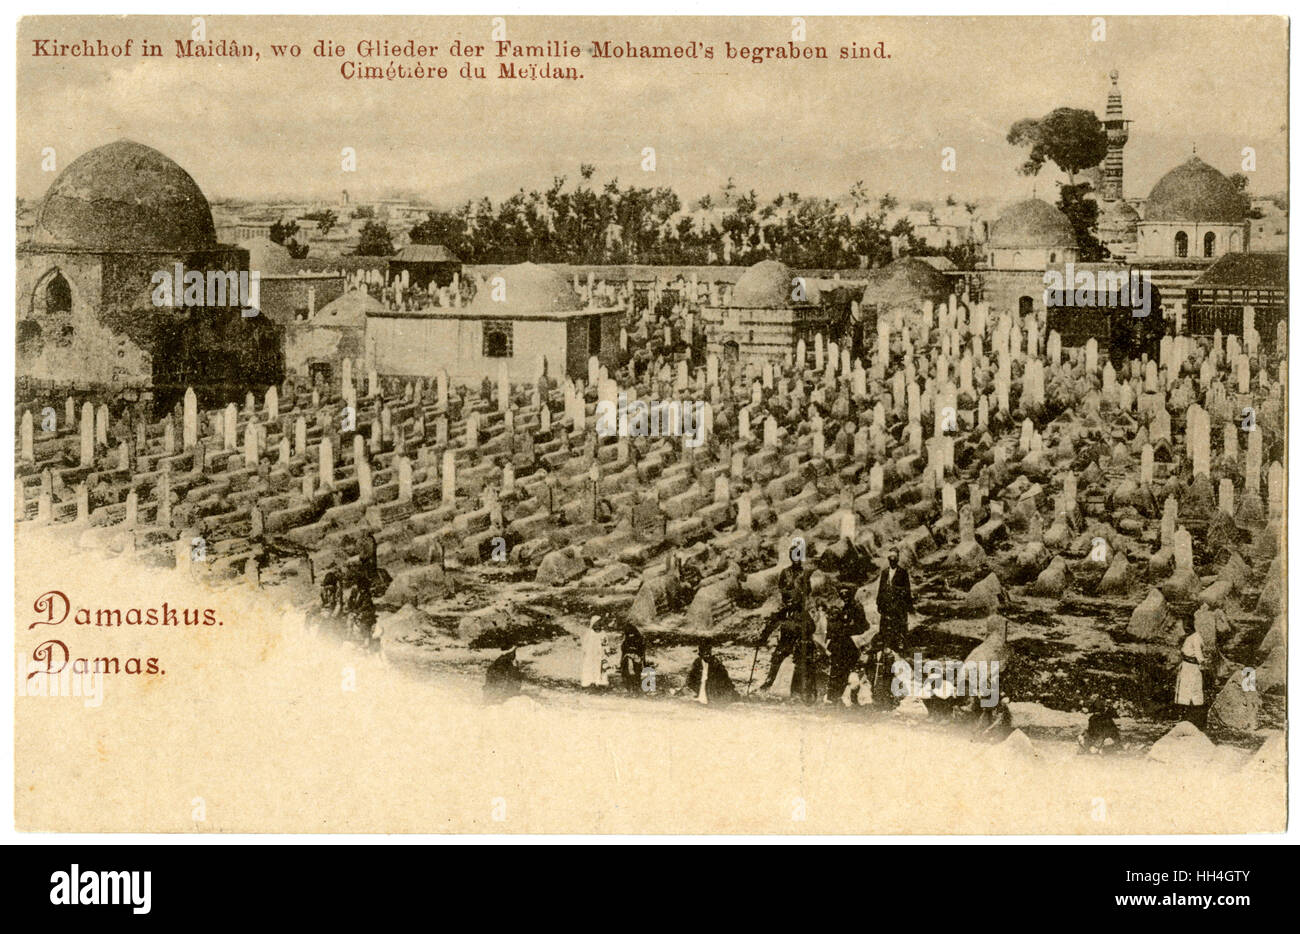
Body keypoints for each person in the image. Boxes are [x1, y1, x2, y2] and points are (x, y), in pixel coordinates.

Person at [756, 554, 811, 691]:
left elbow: (812, 627)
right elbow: (772, 623)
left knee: (803, 655)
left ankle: (804, 687)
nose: (797, 558)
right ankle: (769, 682)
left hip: (800, 630)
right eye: (794, 555)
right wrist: (762, 638)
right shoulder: (785, 572)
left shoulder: (805, 573)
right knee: (778, 655)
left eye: (800, 555)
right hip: (787, 631)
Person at [826, 588, 869, 701]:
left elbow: (863, 626)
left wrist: (847, 629)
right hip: (840, 643)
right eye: (842, 595)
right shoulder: (844, 607)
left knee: (847, 671)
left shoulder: (857, 607)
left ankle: (847, 697)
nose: (844, 597)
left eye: (847, 594)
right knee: (836, 670)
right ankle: (833, 697)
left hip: (850, 644)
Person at [875, 550, 913, 653]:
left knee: (899, 622)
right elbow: (881, 588)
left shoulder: (902, 572)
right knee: (886, 622)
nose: (892, 562)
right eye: (890, 560)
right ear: (888, 560)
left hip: (898, 602)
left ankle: (900, 642)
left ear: (897, 560)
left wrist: (908, 603)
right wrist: (879, 602)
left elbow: (907, 588)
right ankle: (886, 643)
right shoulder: (885, 573)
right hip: (887, 602)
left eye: (894, 560)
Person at [1173, 617, 1207, 728]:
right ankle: (1185, 718)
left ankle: (1196, 720)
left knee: (1193, 692)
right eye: (1184, 625)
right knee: (1184, 692)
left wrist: (1202, 664)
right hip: (1186, 667)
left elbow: (1198, 654)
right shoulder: (1188, 637)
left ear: (1192, 624)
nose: (1185, 627)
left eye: (1187, 624)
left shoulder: (1196, 637)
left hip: (1192, 668)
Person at [684, 639, 738, 706]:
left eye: (708, 652)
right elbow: (691, 677)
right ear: (700, 654)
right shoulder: (697, 662)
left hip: (713, 689)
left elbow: (724, 677)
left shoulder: (716, 662)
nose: (707, 655)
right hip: (701, 687)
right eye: (704, 653)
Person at [579, 616, 609, 689]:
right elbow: (584, 644)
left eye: (599, 623)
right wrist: (585, 652)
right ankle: (587, 682)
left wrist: (607, 650)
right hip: (590, 654)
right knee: (589, 667)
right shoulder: (589, 633)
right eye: (596, 623)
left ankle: (600, 682)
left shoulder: (603, 633)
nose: (598, 625)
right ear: (593, 624)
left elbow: (606, 643)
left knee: (600, 667)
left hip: (600, 654)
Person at [618, 622, 646, 695]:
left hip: (636, 658)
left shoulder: (639, 640)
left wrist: (635, 654)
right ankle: (632, 688)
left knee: (635, 673)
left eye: (632, 633)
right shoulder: (628, 640)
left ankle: (634, 687)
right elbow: (624, 650)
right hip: (630, 658)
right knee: (631, 673)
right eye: (629, 634)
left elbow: (641, 651)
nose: (631, 635)